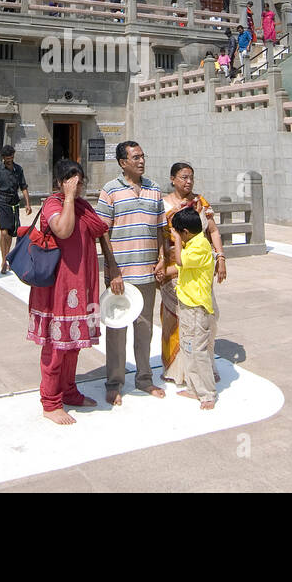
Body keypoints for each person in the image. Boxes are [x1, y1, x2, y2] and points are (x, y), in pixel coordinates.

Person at [27, 159, 119, 425]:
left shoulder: (84, 206)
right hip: (59, 286)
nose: (77, 187)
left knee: (73, 345)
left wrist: (113, 266)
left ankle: (69, 390)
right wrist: (67, 197)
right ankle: (50, 401)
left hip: (81, 283)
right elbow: (64, 230)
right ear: (59, 182)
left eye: (79, 182)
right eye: (71, 181)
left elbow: (102, 232)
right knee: (56, 346)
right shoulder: (53, 205)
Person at [95, 141, 169, 405]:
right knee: (117, 330)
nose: (141, 161)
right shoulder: (110, 191)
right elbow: (103, 231)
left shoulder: (154, 189)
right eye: (135, 157)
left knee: (145, 327)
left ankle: (144, 378)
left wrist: (162, 258)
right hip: (120, 275)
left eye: (142, 156)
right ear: (122, 162)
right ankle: (114, 383)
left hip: (147, 272)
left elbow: (161, 227)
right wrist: (113, 269)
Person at [158, 163, 226, 386]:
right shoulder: (164, 203)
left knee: (208, 317)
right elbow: (159, 235)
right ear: (173, 179)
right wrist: (160, 260)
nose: (188, 182)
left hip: (198, 266)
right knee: (175, 319)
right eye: (184, 177)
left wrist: (221, 258)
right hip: (173, 268)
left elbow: (213, 231)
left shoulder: (200, 203)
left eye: (191, 178)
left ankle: (203, 368)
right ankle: (178, 370)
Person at [163, 207, 222, 409]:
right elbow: (179, 267)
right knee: (188, 348)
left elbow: (180, 260)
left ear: (185, 232)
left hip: (198, 308)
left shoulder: (200, 246)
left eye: (178, 232)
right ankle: (194, 387)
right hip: (187, 305)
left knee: (199, 351)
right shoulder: (192, 244)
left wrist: (177, 239)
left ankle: (207, 394)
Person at [0, 145, 30, 273]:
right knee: (4, 231)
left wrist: (28, 204)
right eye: (7, 158)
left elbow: (23, 186)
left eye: (11, 157)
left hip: (14, 202)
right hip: (2, 201)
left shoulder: (18, 169)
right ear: (3, 158)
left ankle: (7, 257)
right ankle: (3, 259)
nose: (9, 160)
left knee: (11, 233)